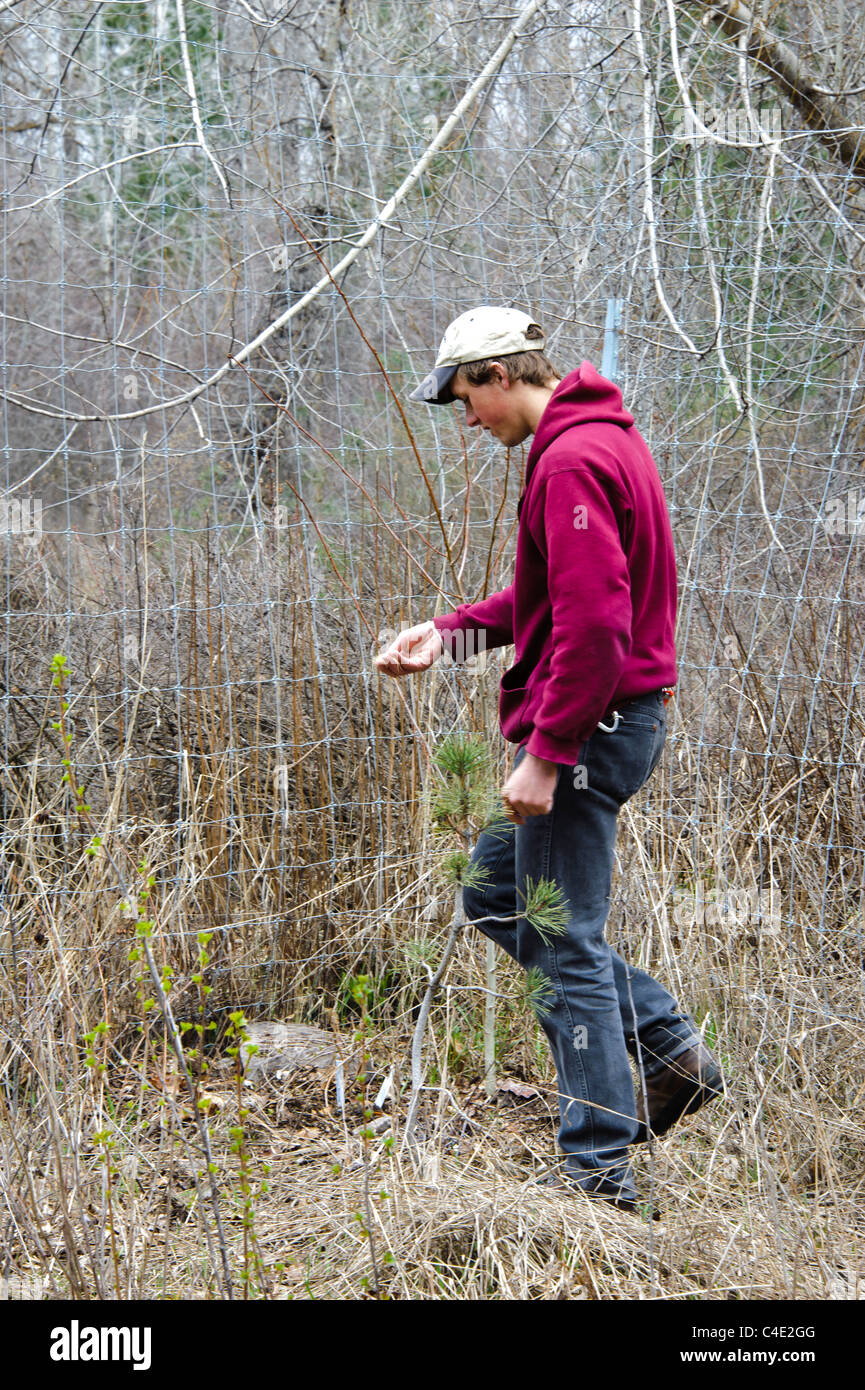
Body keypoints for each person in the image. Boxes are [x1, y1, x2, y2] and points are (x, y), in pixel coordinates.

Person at [375, 306, 723, 1212]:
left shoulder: (569, 457)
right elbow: (551, 595)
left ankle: (597, 1173)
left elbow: (597, 628)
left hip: (592, 728)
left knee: (564, 944)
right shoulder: (595, 437)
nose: (465, 419)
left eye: (463, 398)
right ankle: (668, 1048)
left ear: (497, 375)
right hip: (608, 720)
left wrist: (547, 752)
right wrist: (447, 636)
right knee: (496, 894)